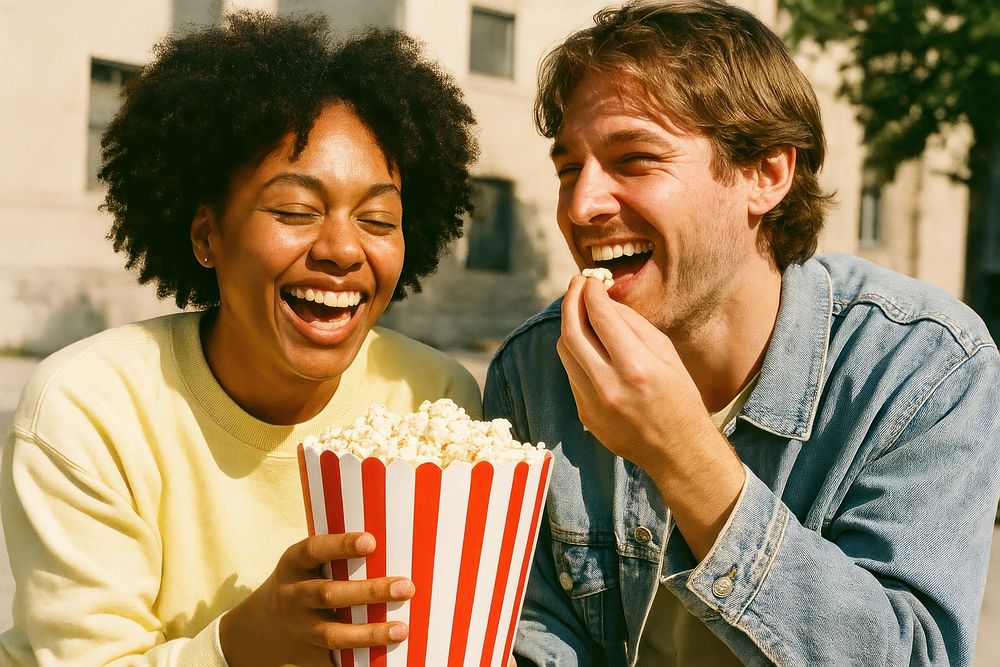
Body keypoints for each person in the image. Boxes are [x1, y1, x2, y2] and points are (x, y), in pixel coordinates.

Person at [483, 1, 1000, 665]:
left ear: (767, 175)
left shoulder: (923, 369)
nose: (582, 205)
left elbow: (914, 655)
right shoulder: (535, 369)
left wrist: (683, 453)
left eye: (635, 158)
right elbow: (525, 630)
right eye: (567, 169)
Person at [0, 12, 483, 666]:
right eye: (294, 211)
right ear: (206, 235)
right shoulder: (90, 410)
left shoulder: (432, 400)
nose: (342, 249)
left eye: (377, 218)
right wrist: (245, 638)